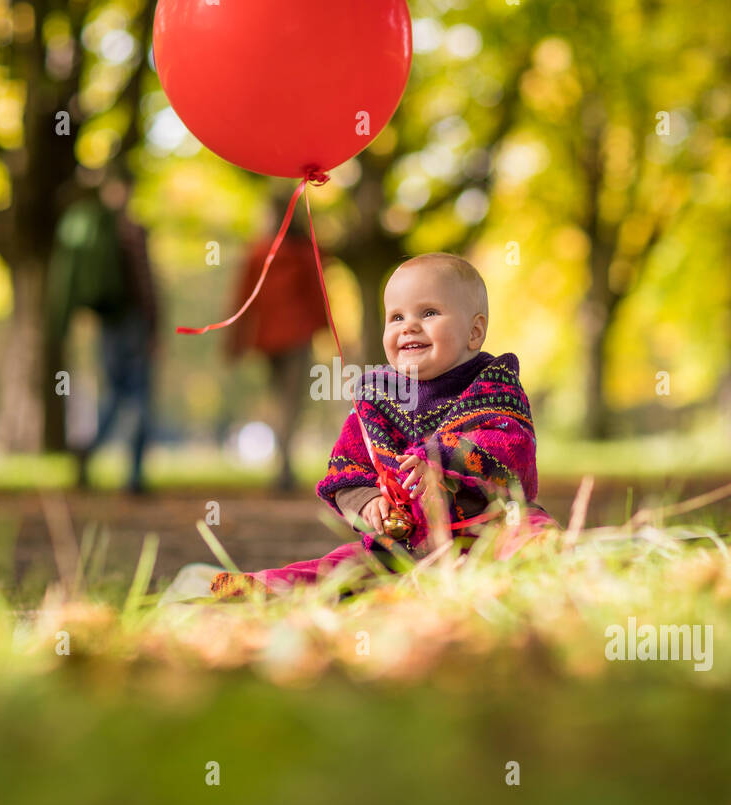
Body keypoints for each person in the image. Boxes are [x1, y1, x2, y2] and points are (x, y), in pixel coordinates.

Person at [206, 251, 555, 599]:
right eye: (396, 317)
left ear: (474, 331)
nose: (409, 326)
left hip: (487, 530)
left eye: (429, 313)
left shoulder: (493, 385)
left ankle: (550, 565)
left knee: (532, 529)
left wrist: (442, 455)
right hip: (402, 547)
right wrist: (368, 500)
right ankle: (264, 587)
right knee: (342, 566)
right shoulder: (377, 396)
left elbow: (512, 448)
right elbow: (346, 470)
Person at [48, 178, 158, 494]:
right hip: (133, 324)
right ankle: (134, 475)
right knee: (138, 395)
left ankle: (89, 451)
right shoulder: (131, 231)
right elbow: (146, 285)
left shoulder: (90, 229)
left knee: (114, 393)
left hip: (107, 322)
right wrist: (153, 327)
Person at [227, 195, 327, 490]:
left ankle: (281, 465)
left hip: (269, 339)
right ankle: (284, 465)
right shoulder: (305, 253)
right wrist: (324, 329)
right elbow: (317, 294)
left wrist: (235, 342)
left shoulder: (258, 253)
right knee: (291, 402)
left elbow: (243, 299)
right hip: (298, 336)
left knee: (279, 400)